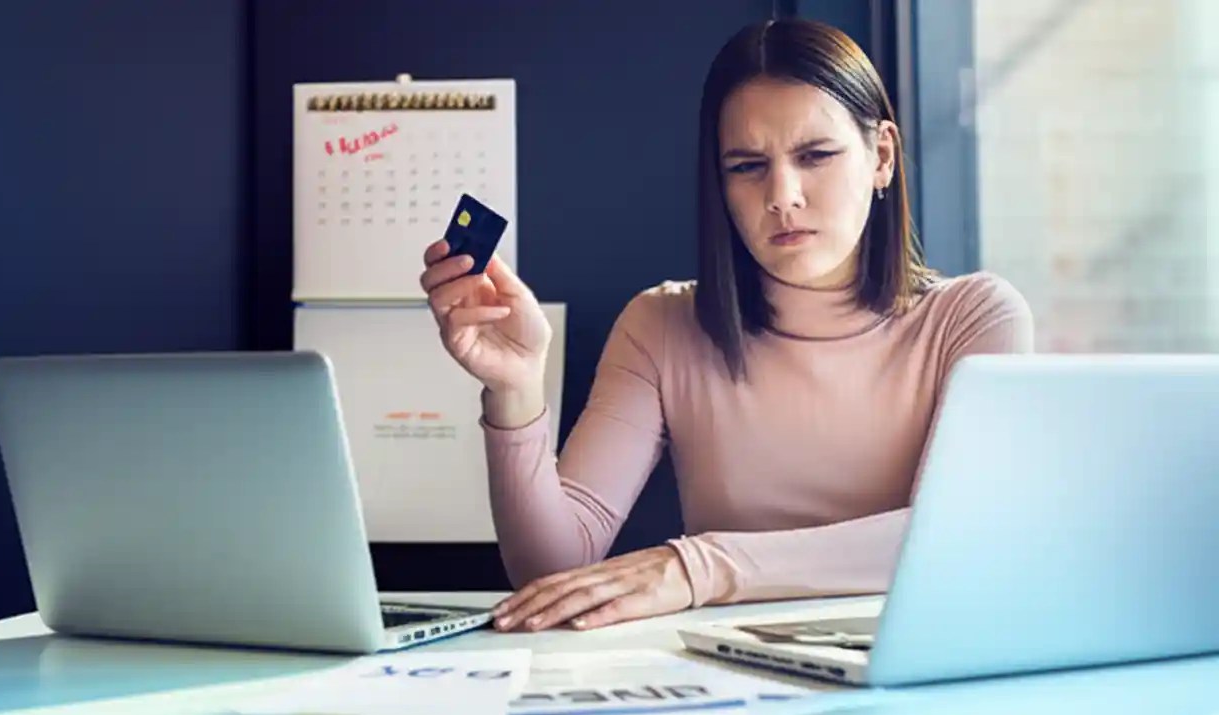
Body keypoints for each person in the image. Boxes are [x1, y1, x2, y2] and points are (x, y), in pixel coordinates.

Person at [418, 18, 1033, 634]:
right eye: (746, 166)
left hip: (918, 665)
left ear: (881, 156)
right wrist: (516, 390)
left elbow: (959, 534)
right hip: (730, 677)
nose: (782, 195)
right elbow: (549, 570)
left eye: (815, 156)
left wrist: (698, 567)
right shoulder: (660, 325)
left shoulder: (974, 318)